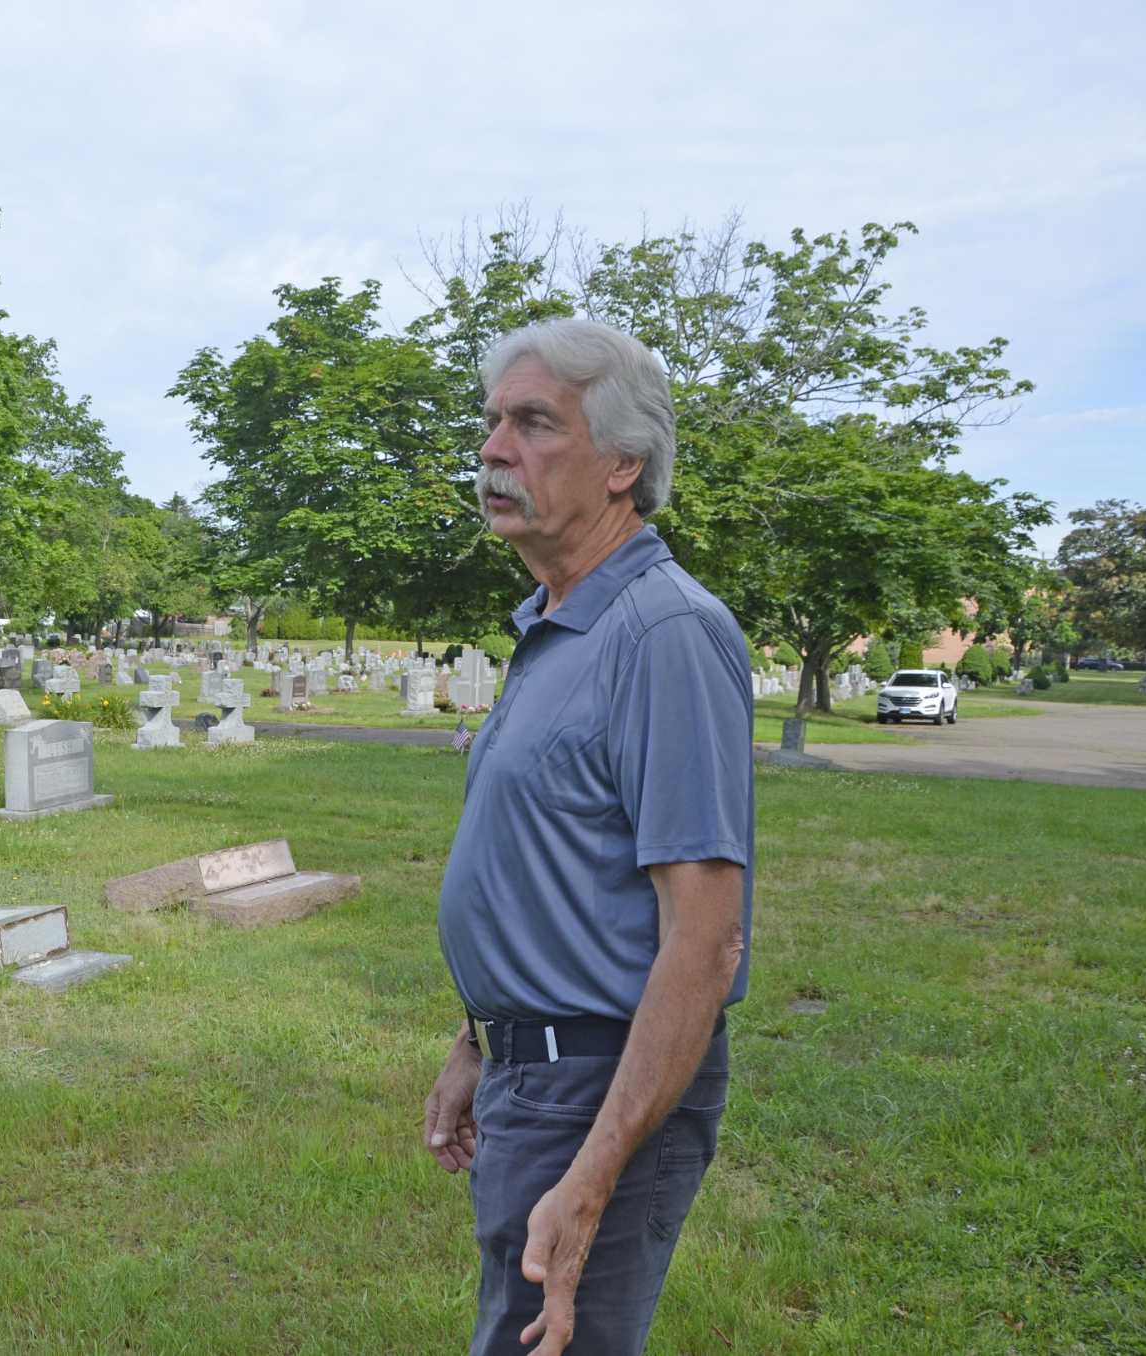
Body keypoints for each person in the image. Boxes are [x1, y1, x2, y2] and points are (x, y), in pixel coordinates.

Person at [422, 318, 753, 1354]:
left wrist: (594, 1173)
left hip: (600, 1091)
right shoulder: (558, 623)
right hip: (534, 1074)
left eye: (532, 423)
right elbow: (549, 873)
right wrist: (478, 1040)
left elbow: (704, 937)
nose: (492, 450)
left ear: (621, 463)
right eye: (490, 423)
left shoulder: (663, 633)